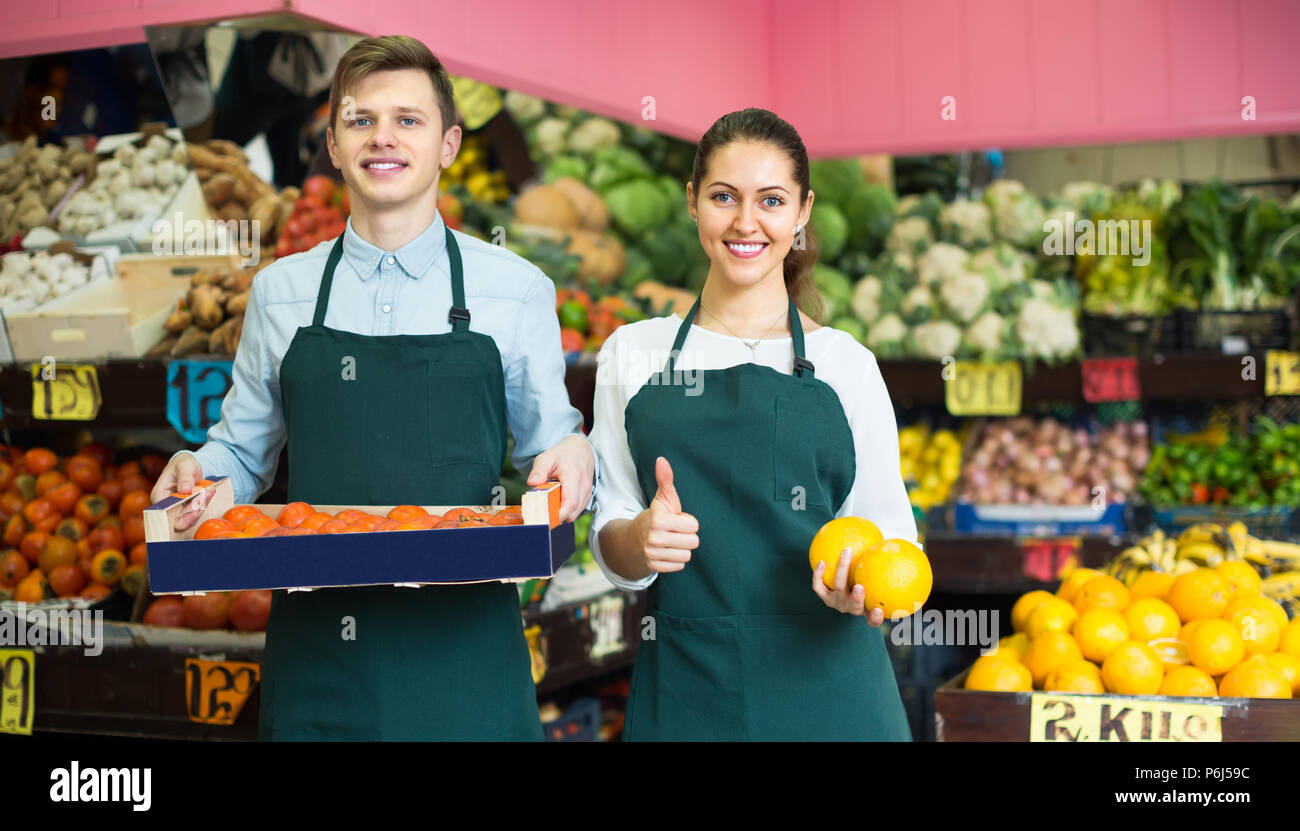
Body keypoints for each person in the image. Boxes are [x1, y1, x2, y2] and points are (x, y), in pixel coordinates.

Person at [149, 36, 595, 741]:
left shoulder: (514, 291)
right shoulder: (281, 293)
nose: (382, 136)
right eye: (360, 120)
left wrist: (576, 458)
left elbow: (556, 448)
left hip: (467, 664)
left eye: (408, 120)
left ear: (449, 143)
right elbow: (243, 451)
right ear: (331, 142)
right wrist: (199, 472)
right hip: (322, 662)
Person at [589, 108, 916, 741]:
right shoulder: (632, 355)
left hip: (834, 699)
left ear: (802, 212)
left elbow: (897, 539)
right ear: (692, 202)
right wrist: (642, 541)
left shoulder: (846, 364)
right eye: (723, 197)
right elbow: (609, 531)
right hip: (689, 691)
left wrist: (864, 590)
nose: (746, 222)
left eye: (771, 200)